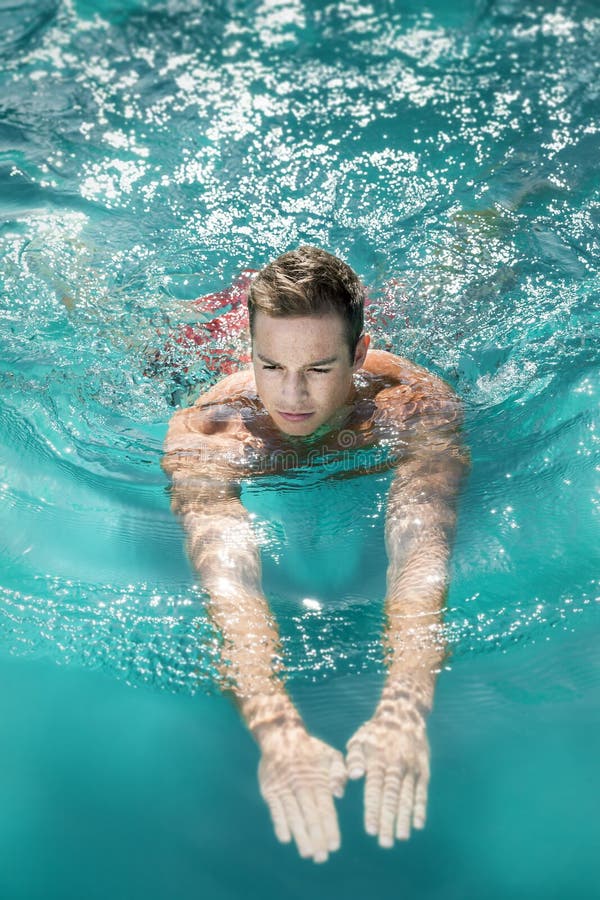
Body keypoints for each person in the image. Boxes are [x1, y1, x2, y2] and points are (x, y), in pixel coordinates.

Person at [161, 246, 468, 863]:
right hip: (197, 346)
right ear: (250, 352)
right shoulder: (211, 429)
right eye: (270, 365)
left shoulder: (413, 405)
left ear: (357, 356)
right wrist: (277, 732)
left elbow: (421, 554)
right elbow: (228, 581)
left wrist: (403, 707)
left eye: (320, 370)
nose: (291, 395)